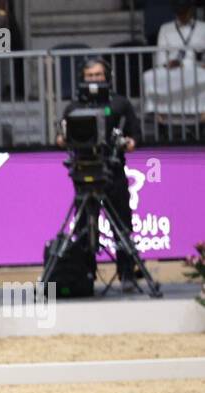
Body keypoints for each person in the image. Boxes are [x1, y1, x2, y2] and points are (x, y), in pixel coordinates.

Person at [56, 57, 142, 292]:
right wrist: (63, 140)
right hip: (83, 173)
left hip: (112, 171)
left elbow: (135, 135)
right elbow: (61, 138)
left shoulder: (120, 104)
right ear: (82, 79)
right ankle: (86, 275)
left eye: (98, 76)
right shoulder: (73, 108)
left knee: (122, 226)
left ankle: (127, 275)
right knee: (84, 226)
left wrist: (128, 142)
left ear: (107, 78)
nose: (94, 80)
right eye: (90, 76)